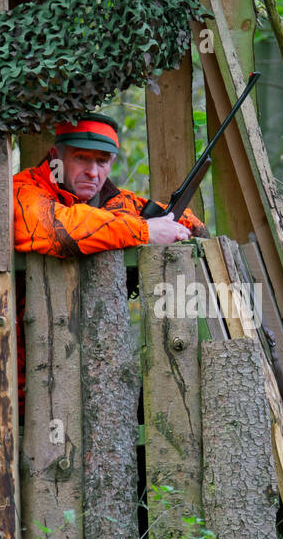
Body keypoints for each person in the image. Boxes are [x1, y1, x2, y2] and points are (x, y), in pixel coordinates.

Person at [13, 111, 208, 416]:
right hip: (24, 388)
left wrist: (178, 226)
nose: (93, 171)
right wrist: (144, 232)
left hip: (98, 381)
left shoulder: (117, 202)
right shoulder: (25, 190)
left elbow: (189, 224)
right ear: (55, 157)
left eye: (102, 161)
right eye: (81, 158)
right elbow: (55, 228)